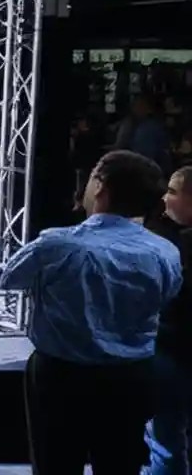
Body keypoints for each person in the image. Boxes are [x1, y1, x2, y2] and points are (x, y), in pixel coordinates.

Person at [1, 150, 181, 474]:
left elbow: (9, 279)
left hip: (60, 377)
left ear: (100, 186)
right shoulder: (166, 252)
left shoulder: (56, 245)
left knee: (55, 464)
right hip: (130, 376)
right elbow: (168, 296)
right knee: (120, 464)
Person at [145, 166, 192, 475]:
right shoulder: (172, 239)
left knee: (166, 441)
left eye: (173, 192)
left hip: (175, 351)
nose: (165, 198)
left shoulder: (179, 247)